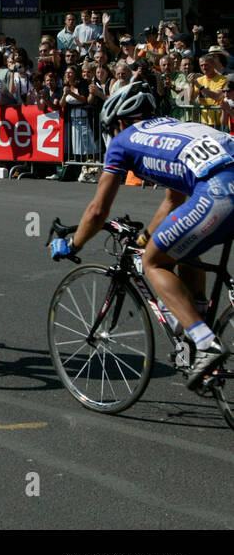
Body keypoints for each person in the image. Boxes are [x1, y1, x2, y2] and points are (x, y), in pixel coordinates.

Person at [50, 82, 234, 387]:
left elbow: (98, 211)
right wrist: (145, 237)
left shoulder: (123, 140)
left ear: (120, 122)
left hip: (220, 191)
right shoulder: (175, 127)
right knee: (180, 246)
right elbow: (173, 202)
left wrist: (72, 244)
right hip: (222, 180)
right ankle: (197, 322)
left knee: (154, 263)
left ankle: (205, 343)